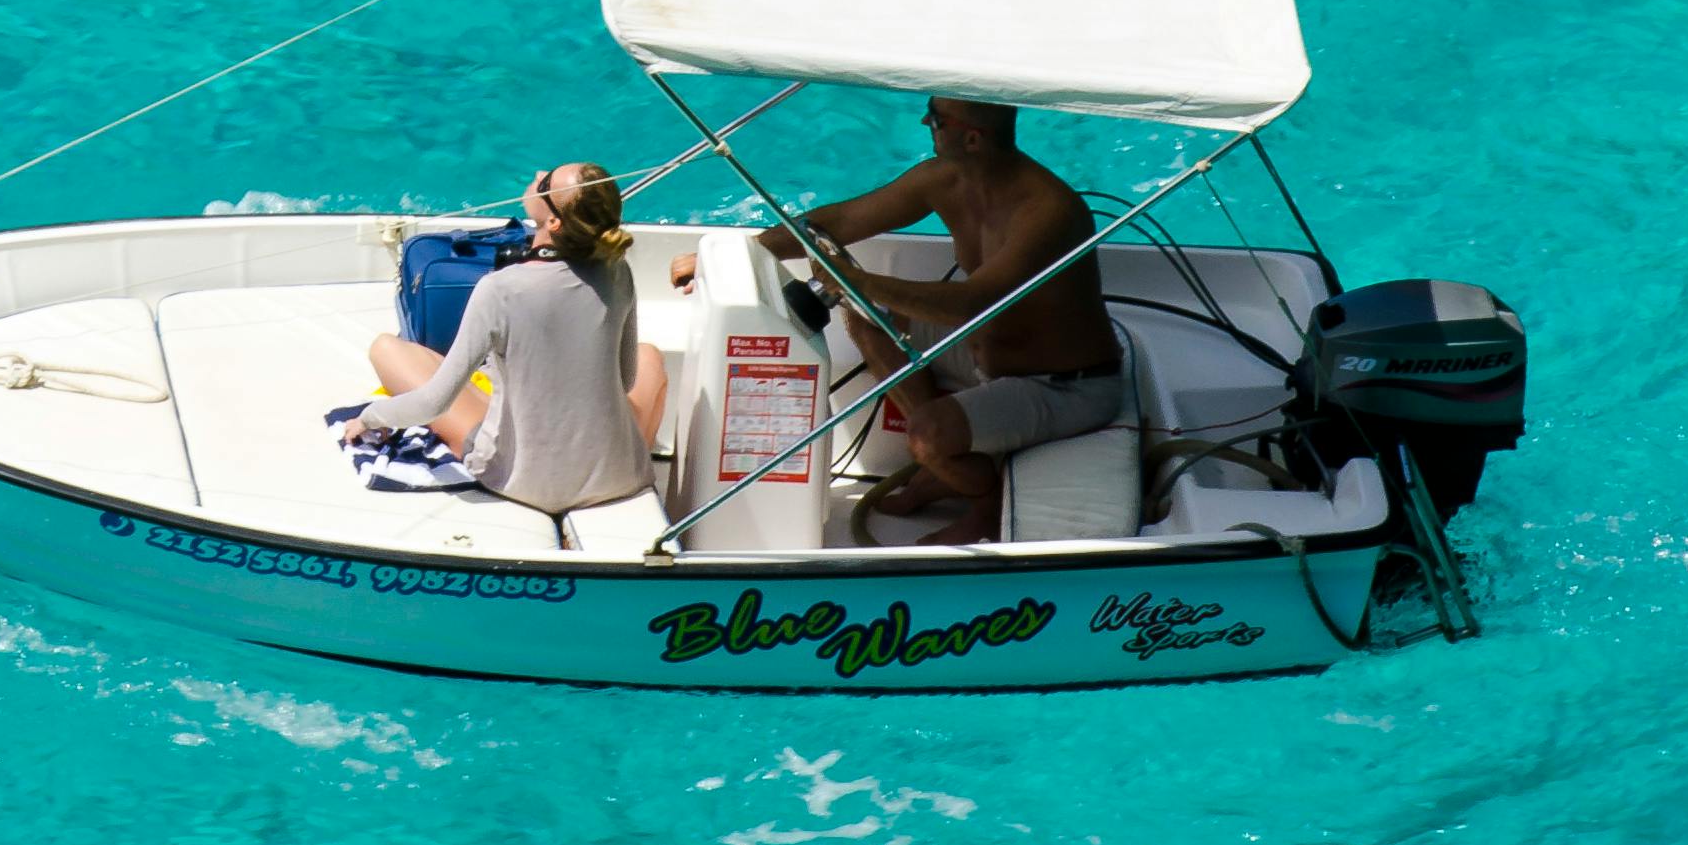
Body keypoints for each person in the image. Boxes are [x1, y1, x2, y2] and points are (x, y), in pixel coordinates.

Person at [683, 97, 1123, 541]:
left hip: (1065, 383)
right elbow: (838, 220)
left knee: (927, 432)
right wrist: (744, 250)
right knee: (868, 320)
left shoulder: (1047, 211)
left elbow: (973, 304)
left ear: (972, 137)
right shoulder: (945, 179)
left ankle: (984, 501)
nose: (924, 122)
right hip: (987, 351)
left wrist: (857, 281)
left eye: (935, 117)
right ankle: (941, 464)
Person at [337, 163, 664, 516]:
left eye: (547, 181)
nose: (539, 175)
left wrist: (370, 419)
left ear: (553, 223)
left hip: (523, 482)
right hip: (617, 477)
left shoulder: (500, 289)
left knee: (388, 350)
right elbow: (626, 379)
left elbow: (433, 404)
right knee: (648, 356)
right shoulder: (618, 271)